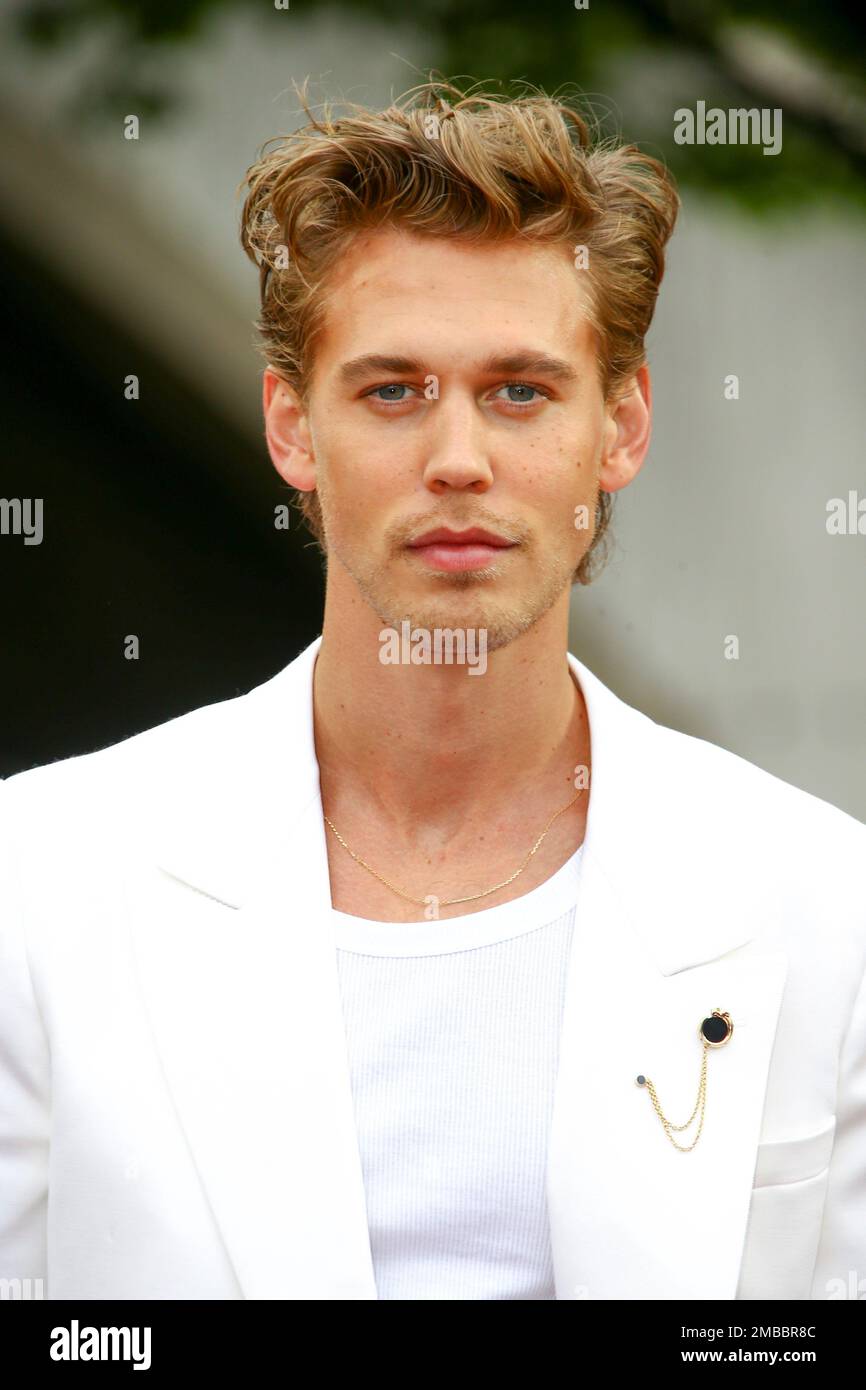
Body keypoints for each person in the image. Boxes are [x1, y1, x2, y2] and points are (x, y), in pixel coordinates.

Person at [1, 81, 864, 1302]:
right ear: (291, 428)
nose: (457, 460)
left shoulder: (819, 900)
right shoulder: (42, 882)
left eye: (518, 389)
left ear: (618, 426)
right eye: (391, 389)